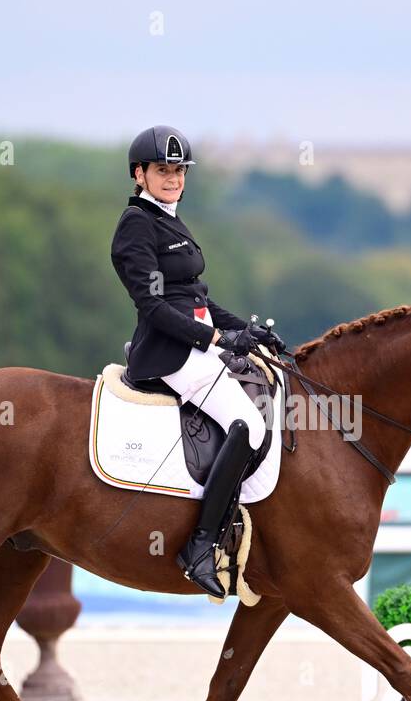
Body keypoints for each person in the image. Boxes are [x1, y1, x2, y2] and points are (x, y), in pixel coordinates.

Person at [110, 125, 283, 597]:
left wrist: (245, 330)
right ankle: (201, 545)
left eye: (179, 170)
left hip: (193, 344)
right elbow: (155, 307)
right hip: (169, 354)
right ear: (139, 174)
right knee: (247, 425)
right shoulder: (137, 224)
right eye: (163, 170)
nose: (173, 178)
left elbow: (195, 297)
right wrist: (216, 338)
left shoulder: (169, 219)